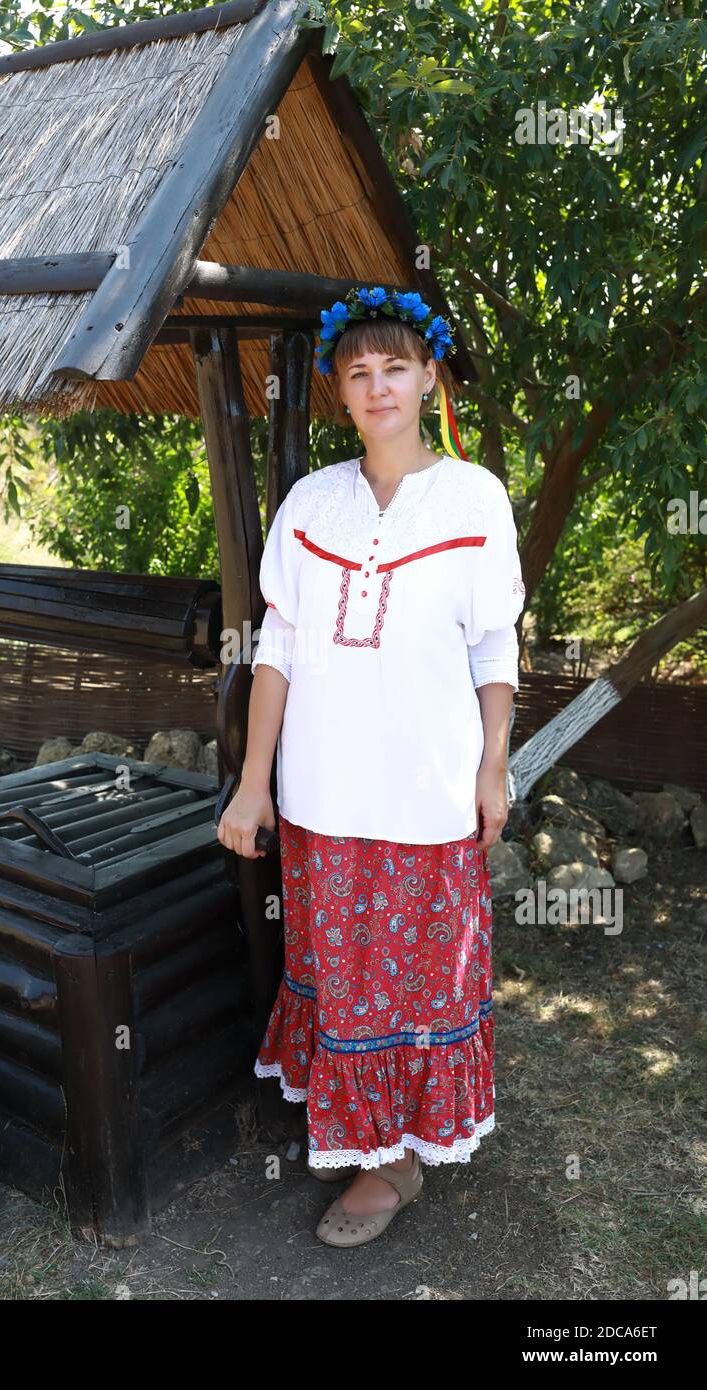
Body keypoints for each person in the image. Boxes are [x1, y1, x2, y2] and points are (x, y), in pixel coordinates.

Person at [217, 286, 525, 1248]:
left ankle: (400, 1159)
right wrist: (254, 779)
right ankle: (368, 1149)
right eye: (359, 373)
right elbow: (279, 649)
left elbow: (493, 652)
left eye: (396, 367)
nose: (378, 385)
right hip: (323, 795)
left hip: (429, 795)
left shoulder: (474, 500)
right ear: (339, 394)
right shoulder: (312, 504)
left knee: (419, 984)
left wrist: (494, 769)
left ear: (430, 377)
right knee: (344, 977)